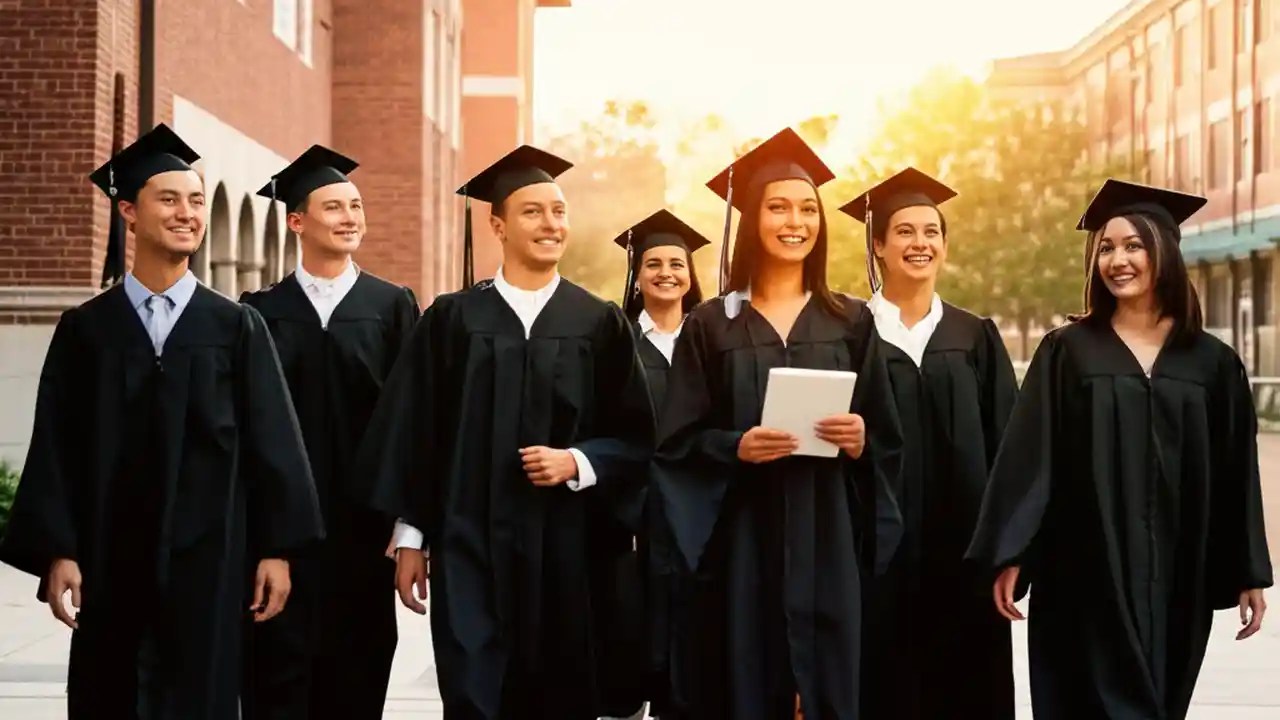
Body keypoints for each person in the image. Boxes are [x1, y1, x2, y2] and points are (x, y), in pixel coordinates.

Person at [0, 124, 324, 719]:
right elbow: (57, 446)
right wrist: (59, 550)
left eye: (197, 200)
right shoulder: (87, 330)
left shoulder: (234, 327)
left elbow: (274, 443)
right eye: (169, 199)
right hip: (109, 557)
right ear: (128, 210)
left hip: (212, 559)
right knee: (111, 694)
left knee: (201, 695)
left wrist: (278, 550)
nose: (187, 213)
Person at [351, 145, 656, 719]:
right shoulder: (453, 319)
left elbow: (637, 436)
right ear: (497, 224)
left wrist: (579, 462)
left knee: (561, 692)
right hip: (471, 545)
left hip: (568, 549)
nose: (551, 224)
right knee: (473, 690)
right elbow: (418, 430)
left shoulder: (598, 322)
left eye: (559, 211)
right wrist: (412, 539)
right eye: (533, 211)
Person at [966, 179, 1273, 720]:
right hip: (1084, 565)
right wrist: (1014, 551)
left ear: (1164, 253)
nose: (1117, 259)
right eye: (1106, 247)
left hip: (1180, 567)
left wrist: (1247, 567)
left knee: (1160, 696)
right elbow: (1030, 457)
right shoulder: (1068, 352)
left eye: (1134, 245)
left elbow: (1235, 470)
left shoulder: (1212, 363)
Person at [654, 128, 902, 720]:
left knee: (828, 687)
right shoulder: (711, 325)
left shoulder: (852, 321)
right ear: (752, 221)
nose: (797, 221)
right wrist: (735, 446)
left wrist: (861, 439)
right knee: (744, 681)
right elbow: (676, 447)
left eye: (808, 208)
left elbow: (888, 439)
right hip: (743, 542)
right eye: (779, 207)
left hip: (829, 536)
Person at [239, 145, 420, 720]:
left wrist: (409, 526)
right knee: (274, 674)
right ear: (297, 220)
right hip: (282, 531)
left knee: (357, 673)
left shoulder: (392, 306)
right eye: (334, 206)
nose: (351, 218)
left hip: (364, 532)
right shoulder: (259, 311)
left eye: (356, 206)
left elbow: (413, 421)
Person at [838, 168, 1017, 719]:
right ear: (879, 245)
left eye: (931, 232)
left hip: (965, 555)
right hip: (874, 553)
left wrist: (1010, 550)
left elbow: (1010, 449)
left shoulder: (973, 335)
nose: (921, 244)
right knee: (880, 686)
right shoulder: (847, 331)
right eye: (905, 232)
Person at [596, 210, 711, 720]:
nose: (666, 273)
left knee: (690, 651)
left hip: (697, 517)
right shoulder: (615, 342)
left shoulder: (711, 341)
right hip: (627, 519)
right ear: (636, 277)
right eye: (653, 264)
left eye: (676, 263)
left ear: (691, 274)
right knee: (624, 640)